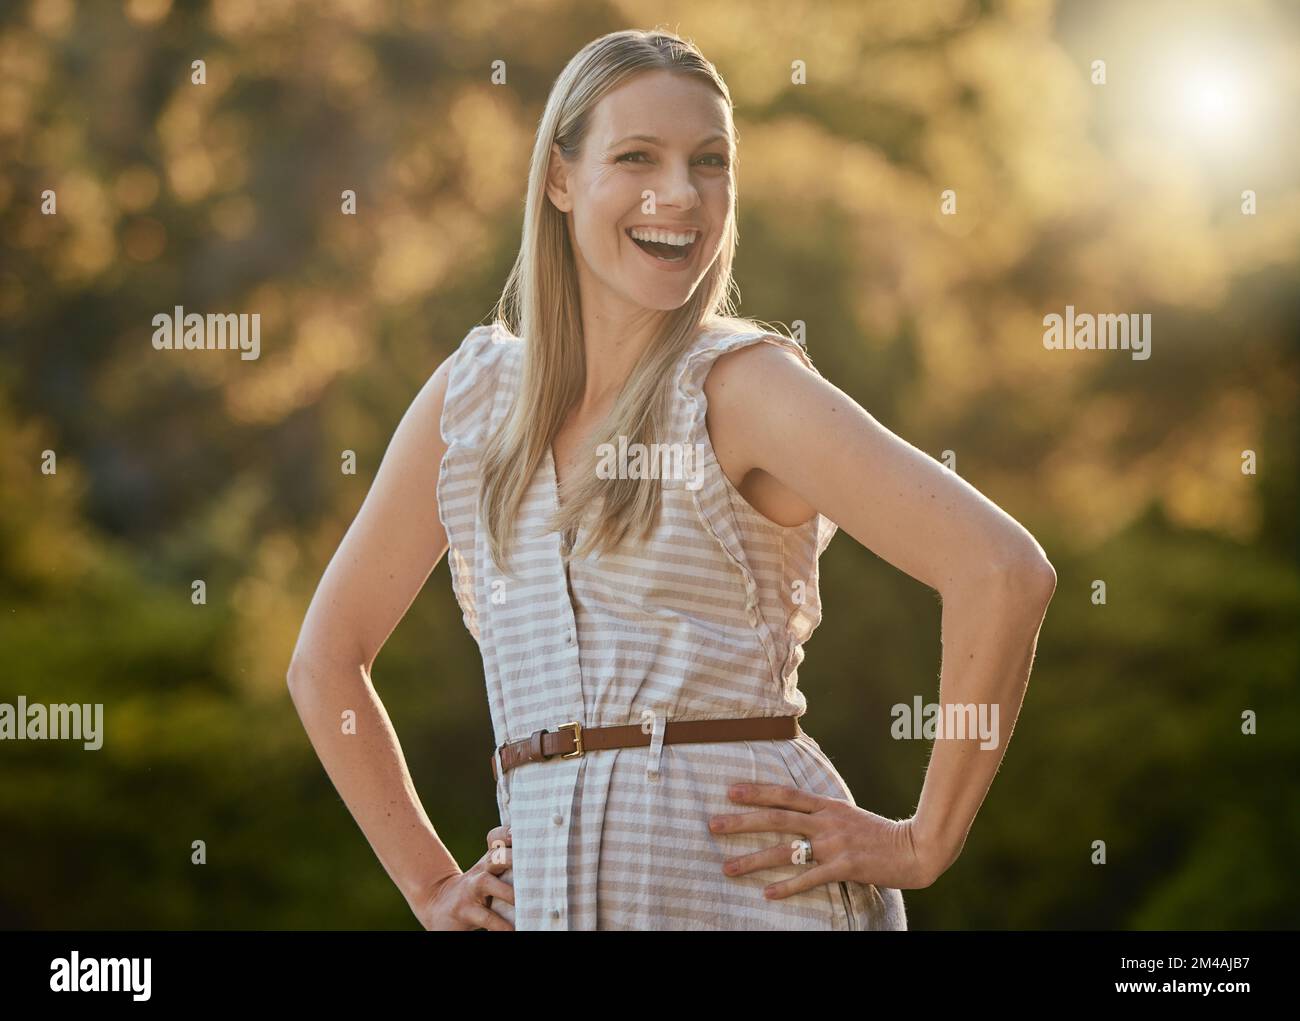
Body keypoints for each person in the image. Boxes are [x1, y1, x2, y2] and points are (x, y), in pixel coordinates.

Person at [286, 28, 1056, 931]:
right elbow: (325, 663)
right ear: (560, 179)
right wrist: (429, 885)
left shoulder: (744, 386)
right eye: (638, 157)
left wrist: (924, 841)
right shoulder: (470, 402)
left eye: (711, 161)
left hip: (759, 902)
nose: (681, 195)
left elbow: (1002, 571)